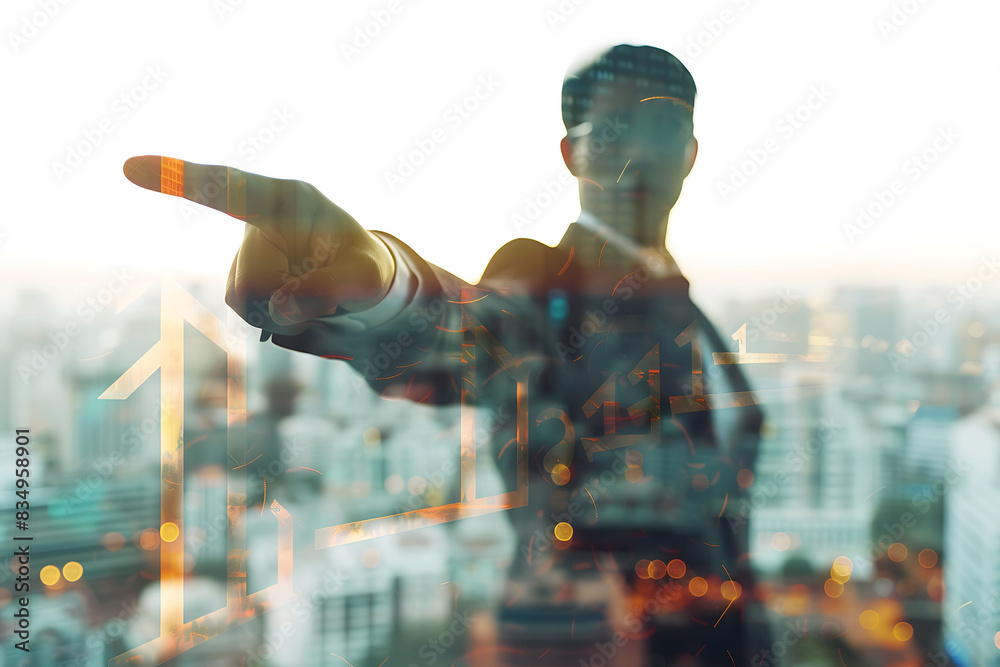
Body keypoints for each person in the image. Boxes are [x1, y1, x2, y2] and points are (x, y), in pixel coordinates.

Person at [123, 43, 767, 665]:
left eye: (664, 127)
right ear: (572, 154)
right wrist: (376, 285)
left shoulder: (694, 317)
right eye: (614, 131)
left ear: (692, 152)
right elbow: (468, 332)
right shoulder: (547, 284)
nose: (639, 154)